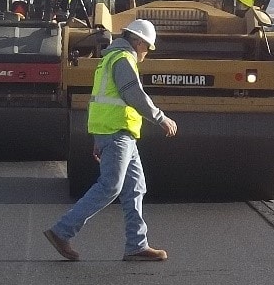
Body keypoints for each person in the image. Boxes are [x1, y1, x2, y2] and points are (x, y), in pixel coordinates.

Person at [44, 18, 178, 263]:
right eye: (147, 47)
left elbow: (100, 100)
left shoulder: (109, 59)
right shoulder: (123, 60)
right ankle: (61, 231)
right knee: (110, 186)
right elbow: (133, 94)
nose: (146, 53)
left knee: (135, 188)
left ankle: (136, 245)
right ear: (137, 42)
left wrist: (99, 137)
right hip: (116, 134)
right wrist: (161, 118)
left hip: (119, 134)